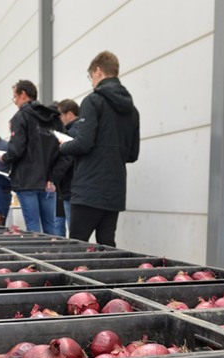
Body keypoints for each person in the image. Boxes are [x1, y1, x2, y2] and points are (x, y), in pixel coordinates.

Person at [58, 51, 141, 247]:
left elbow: (84, 143)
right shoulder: (132, 110)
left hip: (89, 189)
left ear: (98, 72)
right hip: (115, 190)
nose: (91, 82)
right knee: (106, 244)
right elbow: (132, 154)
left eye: (91, 77)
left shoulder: (93, 101)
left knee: (76, 246)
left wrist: (63, 147)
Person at [0, 80, 65, 234]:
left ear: (23, 95)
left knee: (33, 227)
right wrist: (54, 176)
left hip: (27, 180)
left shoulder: (20, 117)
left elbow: (16, 149)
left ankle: (37, 256)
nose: (15, 102)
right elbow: (65, 147)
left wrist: (5, 157)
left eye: (15, 97)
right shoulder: (53, 118)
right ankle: (52, 257)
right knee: (51, 227)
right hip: (48, 181)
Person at [52, 98, 80, 236]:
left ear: (69, 114)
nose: (59, 119)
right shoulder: (83, 129)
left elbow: (66, 159)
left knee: (71, 230)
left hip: (69, 186)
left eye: (60, 115)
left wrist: (52, 177)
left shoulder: (71, 133)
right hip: (72, 186)